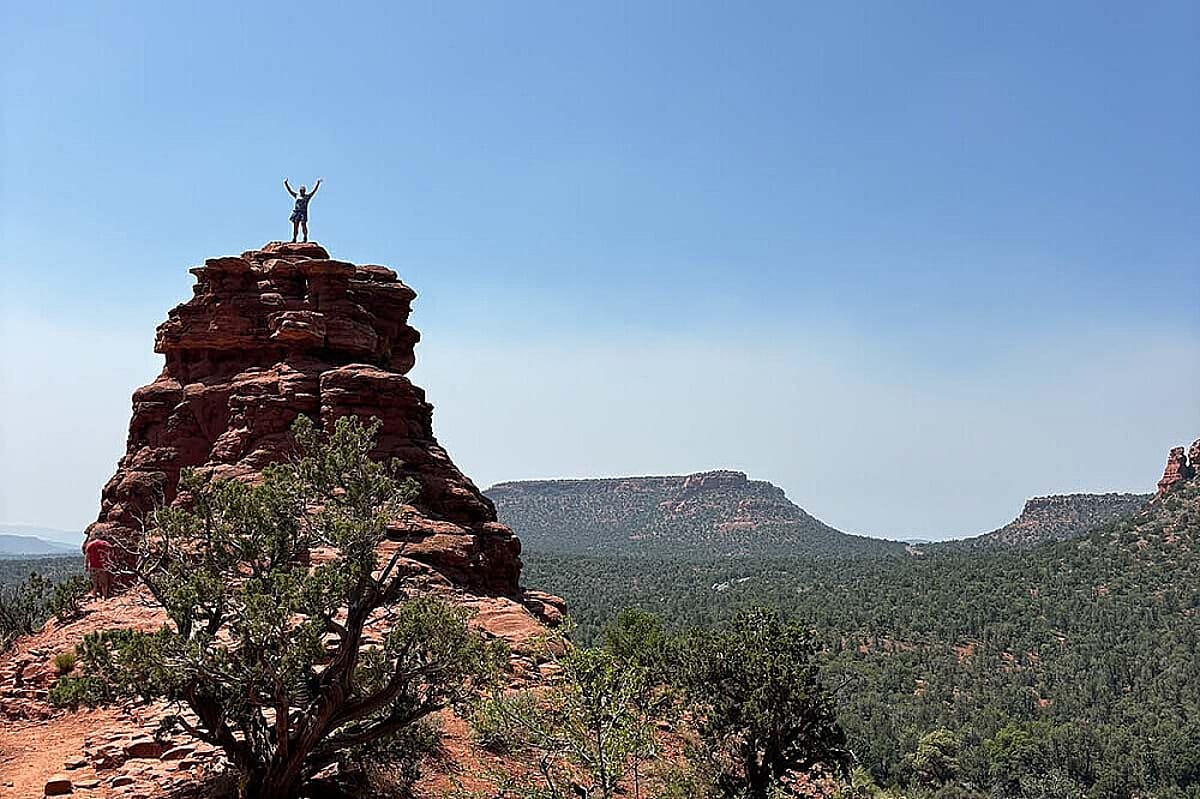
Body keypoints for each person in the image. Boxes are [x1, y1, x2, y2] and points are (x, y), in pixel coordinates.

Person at [284, 177, 322, 243]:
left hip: (303, 213)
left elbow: (314, 191)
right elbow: (289, 190)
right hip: (296, 212)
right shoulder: (296, 195)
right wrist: (286, 183)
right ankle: (294, 238)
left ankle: (305, 237)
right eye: (301, 190)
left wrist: (317, 183)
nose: (301, 191)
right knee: (295, 226)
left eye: (303, 190)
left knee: (303, 224)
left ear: (305, 191)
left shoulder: (307, 197)